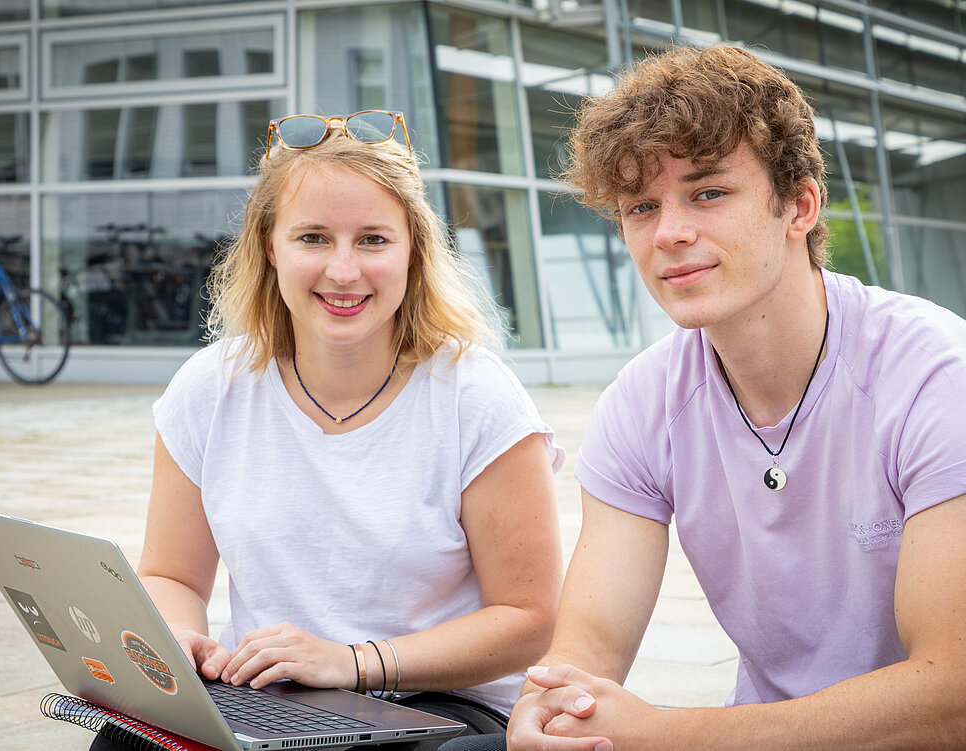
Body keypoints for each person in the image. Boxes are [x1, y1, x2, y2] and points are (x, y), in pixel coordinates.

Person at [491, 44, 966, 749]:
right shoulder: (643, 402)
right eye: (641, 207)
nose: (671, 233)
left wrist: (671, 733)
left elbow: (951, 695)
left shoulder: (935, 374)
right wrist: (549, 711)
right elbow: (584, 650)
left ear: (799, 205)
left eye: (708, 192)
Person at [91, 110, 564, 749]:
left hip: (439, 710)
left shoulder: (477, 399)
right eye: (313, 238)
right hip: (270, 701)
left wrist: (352, 662)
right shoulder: (209, 388)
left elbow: (528, 621)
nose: (343, 272)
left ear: (414, 250)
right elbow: (172, 575)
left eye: (373, 239)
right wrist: (178, 642)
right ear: (270, 246)